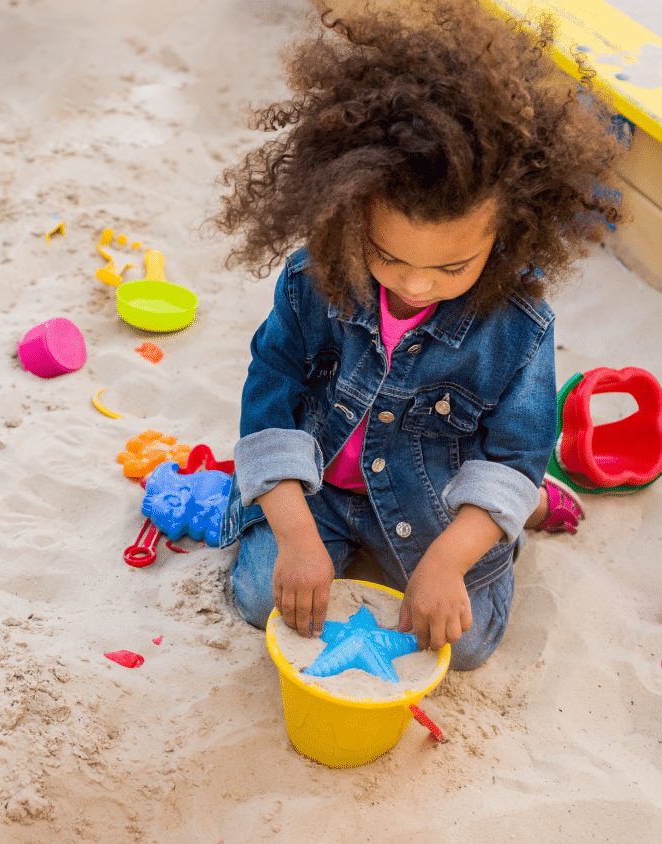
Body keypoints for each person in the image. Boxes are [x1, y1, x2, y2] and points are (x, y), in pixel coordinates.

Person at [212, 0, 620, 670]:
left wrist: (448, 561)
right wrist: (294, 533)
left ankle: (531, 510)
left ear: (509, 233)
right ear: (349, 216)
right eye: (389, 257)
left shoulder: (519, 329)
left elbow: (512, 455)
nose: (418, 286)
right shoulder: (309, 282)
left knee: (465, 645)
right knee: (262, 598)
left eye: (451, 266)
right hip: (323, 494)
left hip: (432, 497)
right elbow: (267, 408)